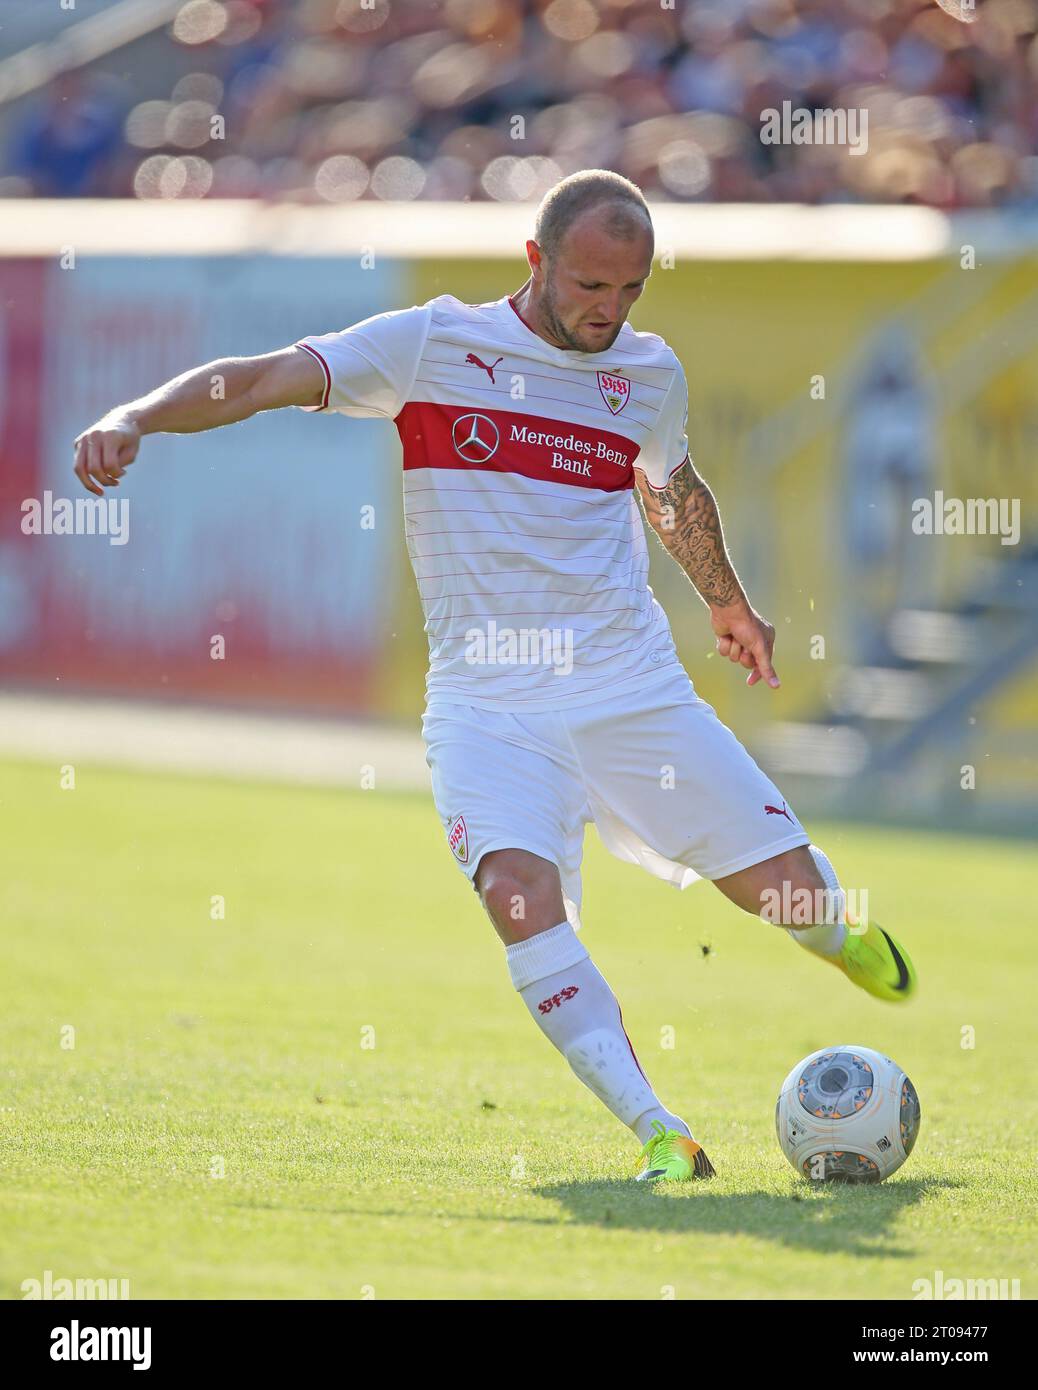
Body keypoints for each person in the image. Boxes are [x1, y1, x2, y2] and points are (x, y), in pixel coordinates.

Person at [73, 169, 917, 1183]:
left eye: (630, 292)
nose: (609, 312)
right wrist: (135, 415)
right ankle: (661, 1131)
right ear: (536, 260)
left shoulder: (648, 374)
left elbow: (672, 487)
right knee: (516, 895)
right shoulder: (430, 344)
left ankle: (838, 932)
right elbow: (254, 380)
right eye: (591, 287)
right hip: (484, 704)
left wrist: (726, 603)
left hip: (628, 688)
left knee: (780, 896)